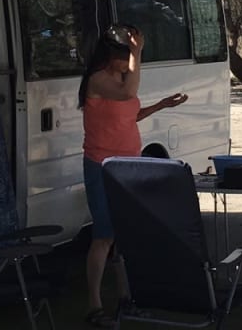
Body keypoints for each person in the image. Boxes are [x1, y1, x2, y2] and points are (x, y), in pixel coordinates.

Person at [78, 24, 187, 328]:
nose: (128, 62)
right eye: (124, 55)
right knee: (104, 236)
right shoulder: (98, 80)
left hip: (128, 164)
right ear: (109, 56)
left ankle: (127, 298)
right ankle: (94, 305)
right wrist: (138, 52)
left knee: (125, 235)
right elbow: (128, 94)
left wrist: (163, 105)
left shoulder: (121, 79)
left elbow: (131, 113)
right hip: (102, 165)